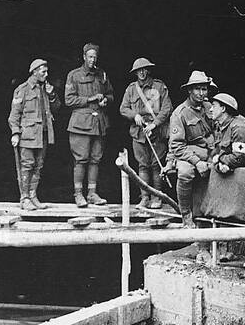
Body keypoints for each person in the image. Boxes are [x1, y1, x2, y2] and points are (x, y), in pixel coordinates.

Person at [64, 42, 115, 207]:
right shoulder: (74, 75)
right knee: (81, 159)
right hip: (80, 124)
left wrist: (106, 100)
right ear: (84, 57)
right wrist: (90, 99)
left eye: (95, 57)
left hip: (99, 124)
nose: (93, 60)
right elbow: (69, 100)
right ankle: (78, 194)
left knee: (95, 159)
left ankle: (92, 193)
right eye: (90, 56)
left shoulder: (102, 74)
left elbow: (111, 94)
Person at [119, 57, 172, 209]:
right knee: (142, 166)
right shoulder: (131, 89)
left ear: (148, 70)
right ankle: (144, 197)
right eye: (138, 70)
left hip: (157, 133)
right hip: (139, 133)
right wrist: (134, 115)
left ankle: (157, 197)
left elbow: (167, 108)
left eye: (144, 69)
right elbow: (123, 108)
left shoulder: (159, 87)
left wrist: (155, 124)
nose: (141, 73)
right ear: (135, 72)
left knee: (156, 165)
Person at [167, 71, 215, 228]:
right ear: (189, 90)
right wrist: (197, 162)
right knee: (185, 173)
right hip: (188, 154)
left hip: (210, 151)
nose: (202, 93)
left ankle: (213, 215)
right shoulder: (179, 113)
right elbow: (176, 146)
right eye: (198, 89)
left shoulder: (210, 108)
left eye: (204, 89)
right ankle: (186, 214)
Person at [8, 58, 58, 211]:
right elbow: (14, 115)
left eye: (46, 71)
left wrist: (52, 95)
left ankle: (33, 195)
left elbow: (56, 108)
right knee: (27, 165)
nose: (46, 74)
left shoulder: (46, 89)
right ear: (34, 72)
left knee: (38, 166)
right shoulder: (22, 89)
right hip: (28, 135)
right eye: (43, 72)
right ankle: (25, 198)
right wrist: (15, 133)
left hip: (43, 134)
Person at [210, 92, 245, 174]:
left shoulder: (239, 128)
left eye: (214, 106)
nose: (210, 109)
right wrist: (219, 165)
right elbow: (215, 154)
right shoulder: (220, 127)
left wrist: (220, 158)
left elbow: (240, 158)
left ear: (223, 109)